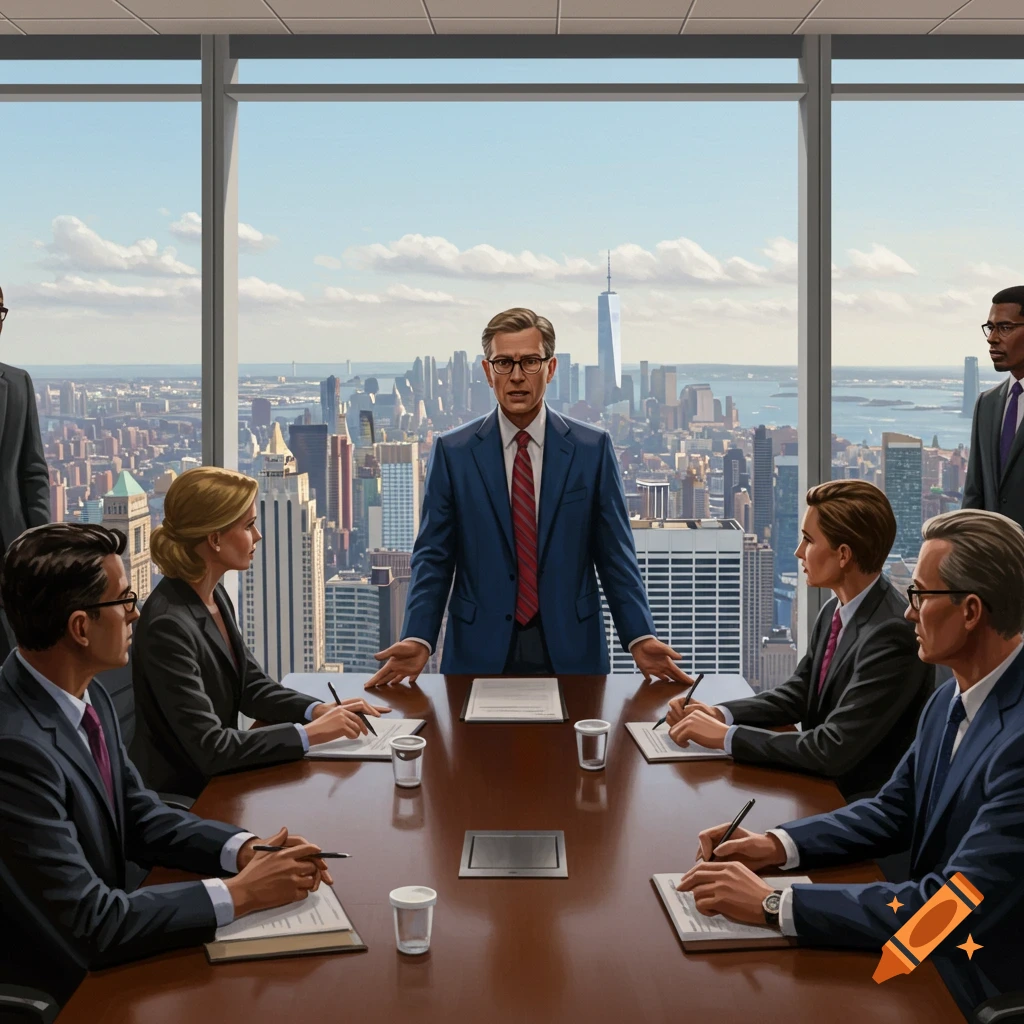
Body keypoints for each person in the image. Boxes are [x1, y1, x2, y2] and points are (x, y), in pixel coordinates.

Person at [675, 508, 1024, 1018]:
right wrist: (775, 846)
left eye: (920, 596)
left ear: (971, 611)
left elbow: (951, 910)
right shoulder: (951, 698)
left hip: (972, 979)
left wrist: (776, 905)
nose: (907, 614)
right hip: (918, 954)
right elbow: (891, 811)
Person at [0, 523, 337, 1005]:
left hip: (117, 951)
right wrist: (242, 894)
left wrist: (245, 850)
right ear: (79, 627)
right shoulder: (16, 750)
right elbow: (94, 923)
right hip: (71, 989)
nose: (136, 612)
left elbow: (140, 815)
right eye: (123, 600)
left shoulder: (85, 692)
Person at [366, 307, 688, 687]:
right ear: (488, 373)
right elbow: (434, 557)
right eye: (503, 362)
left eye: (530, 362)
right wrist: (419, 637)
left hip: (572, 648)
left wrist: (639, 635)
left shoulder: (592, 449)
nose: (517, 376)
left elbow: (615, 555)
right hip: (478, 647)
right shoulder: (453, 452)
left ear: (550, 369)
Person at [666, 480, 933, 801]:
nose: (797, 552)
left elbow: (831, 749)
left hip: (857, 807)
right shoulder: (835, 610)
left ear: (844, 554)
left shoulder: (892, 635)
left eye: (808, 540)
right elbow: (799, 694)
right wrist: (720, 714)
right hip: (819, 790)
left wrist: (727, 738)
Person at [131, 467, 388, 799]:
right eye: (249, 525)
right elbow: (213, 748)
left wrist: (318, 711)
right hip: (190, 800)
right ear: (214, 540)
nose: (259, 536)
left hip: (225, 783)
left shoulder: (212, 595)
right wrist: (309, 734)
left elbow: (251, 686)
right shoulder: (168, 626)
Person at [0, 283, 50, 662]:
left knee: (14, 659)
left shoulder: (17, 383)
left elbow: (33, 473)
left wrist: (41, 546)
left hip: (9, 553)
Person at [963, 284, 1024, 529]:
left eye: (1005, 328)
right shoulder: (986, 403)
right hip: (991, 562)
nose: (992, 338)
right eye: (990, 327)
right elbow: (974, 494)